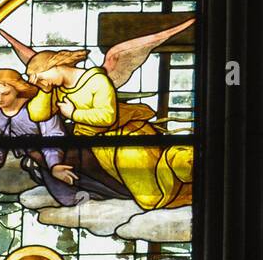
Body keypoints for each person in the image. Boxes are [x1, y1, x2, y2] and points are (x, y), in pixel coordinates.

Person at [26, 47, 193, 210]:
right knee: (148, 198)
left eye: (41, 77)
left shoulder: (96, 80)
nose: (43, 82)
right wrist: (45, 91)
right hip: (102, 146)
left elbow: (107, 116)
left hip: (128, 137)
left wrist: (74, 114)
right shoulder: (56, 89)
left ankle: (179, 158)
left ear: (55, 65)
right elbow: (37, 115)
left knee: (151, 198)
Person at [0, 69, 97, 206]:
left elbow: (54, 135)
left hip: (70, 155)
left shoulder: (38, 106)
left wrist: (54, 165)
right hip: (39, 164)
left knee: (96, 182)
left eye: (5, 93)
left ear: (18, 90)